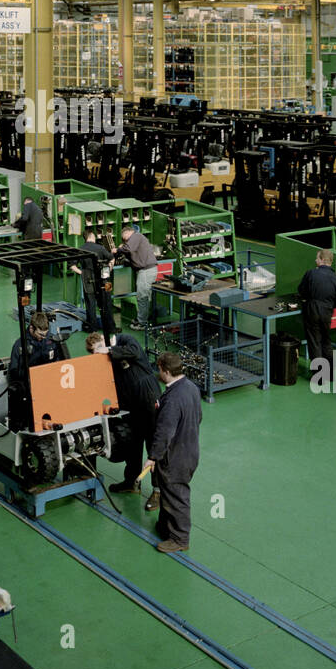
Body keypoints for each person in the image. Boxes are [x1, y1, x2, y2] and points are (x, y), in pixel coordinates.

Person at [143, 351, 202, 553]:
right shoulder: (191, 388)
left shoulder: (172, 399)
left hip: (175, 457)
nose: (157, 372)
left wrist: (152, 458)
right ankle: (166, 528)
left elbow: (164, 432)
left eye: (159, 369)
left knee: (177, 496)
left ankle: (179, 539)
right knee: (169, 493)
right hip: (189, 450)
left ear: (166, 371)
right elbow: (198, 417)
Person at [104, 333, 161, 500]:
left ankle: (158, 491)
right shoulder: (107, 359)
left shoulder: (126, 340)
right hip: (129, 405)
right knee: (133, 444)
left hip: (148, 399)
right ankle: (131, 482)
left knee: (153, 446)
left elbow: (134, 351)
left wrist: (109, 350)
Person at [6, 311, 62, 430]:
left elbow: (57, 359)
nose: (43, 338)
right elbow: (14, 371)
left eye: (45, 335)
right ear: (31, 328)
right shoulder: (20, 345)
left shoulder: (50, 340)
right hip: (28, 385)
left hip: (47, 381)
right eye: (41, 335)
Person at [299, 248, 336, 387]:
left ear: (323, 260)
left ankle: (319, 377)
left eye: (317, 258)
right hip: (327, 313)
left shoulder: (311, 273)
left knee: (314, 342)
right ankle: (330, 375)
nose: (315, 260)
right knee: (326, 341)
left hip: (312, 310)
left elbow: (302, 291)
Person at [70, 229, 115, 336]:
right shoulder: (100, 247)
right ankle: (111, 328)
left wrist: (82, 273)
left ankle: (92, 328)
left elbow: (72, 266)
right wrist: (108, 269)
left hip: (88, 279)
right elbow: (112, 259)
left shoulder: (80, 249)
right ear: (91, 236)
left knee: (90, 304)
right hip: (103, 279)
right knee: (106, 303)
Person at [115, 222, 159, 330]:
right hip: (146, 270)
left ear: (127, 232)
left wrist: (117, 249)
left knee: (142, 296)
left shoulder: (136, 236)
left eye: (124, 238)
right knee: (144, 296)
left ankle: (142, 323)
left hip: (146, 271)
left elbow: (128, 249)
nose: (124, 241)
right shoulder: (136, 238)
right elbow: (133, 255)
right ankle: (142, 319)